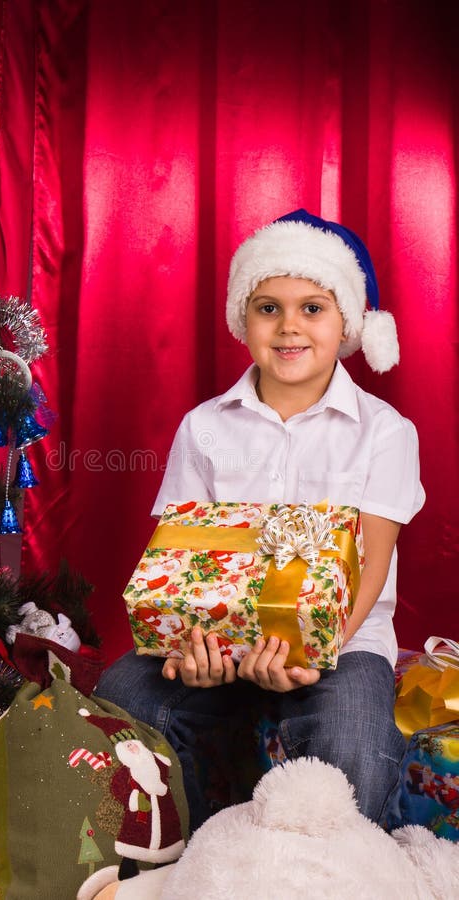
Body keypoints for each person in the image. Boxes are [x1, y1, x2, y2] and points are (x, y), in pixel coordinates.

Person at [96, 208, 425, 832]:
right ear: (241, 320)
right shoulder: (204, 426)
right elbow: (180, 558)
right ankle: (179, 860)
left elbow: (373, 562)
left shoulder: (385, 432)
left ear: (349, 323)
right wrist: (189, 645)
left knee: (354, 741)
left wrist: (314, 650)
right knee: (125, 700)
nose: (288, 327)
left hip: (344, 645)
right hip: (215, 640)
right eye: (267, 307)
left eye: (313, 307)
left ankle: (328, 875)